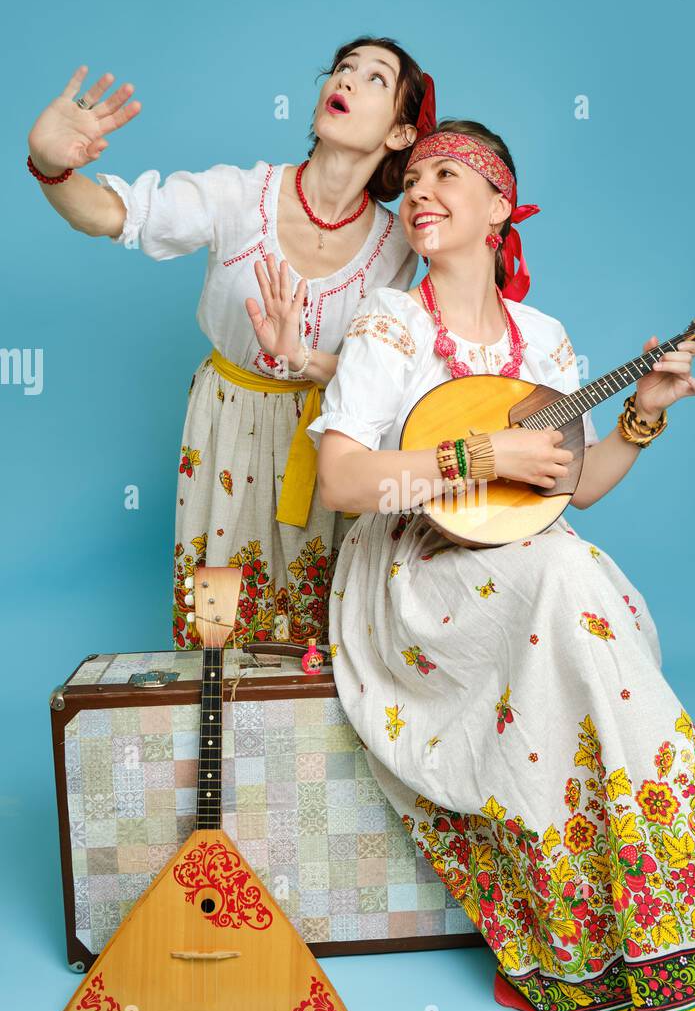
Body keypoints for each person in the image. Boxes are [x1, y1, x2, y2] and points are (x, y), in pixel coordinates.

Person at [254, 118, 695, 1011]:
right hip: (411, 568)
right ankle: (616, 927)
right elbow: (343, 483)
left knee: (571, 572)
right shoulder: (388, 321)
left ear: (500, 206)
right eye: (412, 177)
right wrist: (479, 454)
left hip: (526, 563)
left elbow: (569, 491)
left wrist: (641, 418)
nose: (421, 189)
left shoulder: (544, 341)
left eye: (449, 175)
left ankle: (658, 928)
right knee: (567, 580)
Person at [26, 37, 434, 648]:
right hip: (230, 427)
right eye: (341, 68)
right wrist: (52, 167)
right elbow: (118, 215)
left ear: (401, 133)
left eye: (374, 77)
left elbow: (402, 369)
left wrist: (307, 361)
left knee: (330, 636)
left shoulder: (400, 246)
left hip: (336, 439)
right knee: (221, 627)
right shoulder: (240, 196)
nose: (345, 80)